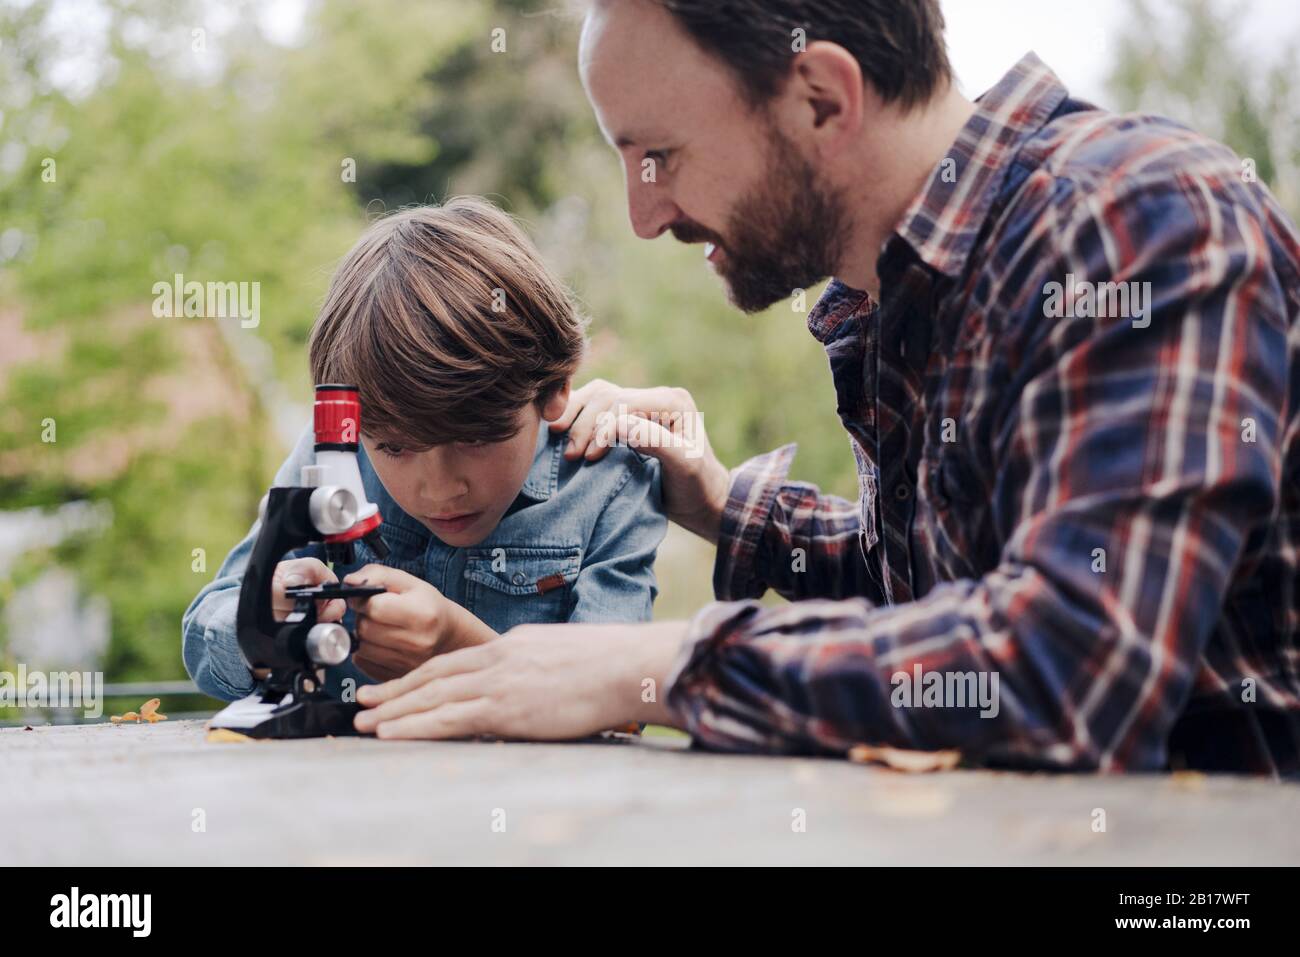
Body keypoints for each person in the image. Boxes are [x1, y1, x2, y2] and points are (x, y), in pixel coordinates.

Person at [353, 1, 1300, 777]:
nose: (643, 215)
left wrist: (659, 663)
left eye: (659, 157)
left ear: (820, 97)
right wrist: (726, 507)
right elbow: (949, 594)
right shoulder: (899, 290)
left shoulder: (1132, 223)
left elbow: (1070, 662)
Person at [182, 198, 666, 701]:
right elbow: (203, 635)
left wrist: (459, 648)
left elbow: (620, 694)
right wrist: (264, 620)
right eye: (394, 447)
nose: (439, 488)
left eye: (476, 439)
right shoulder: (334, 457)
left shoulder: (611, 479)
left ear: (553, 390)